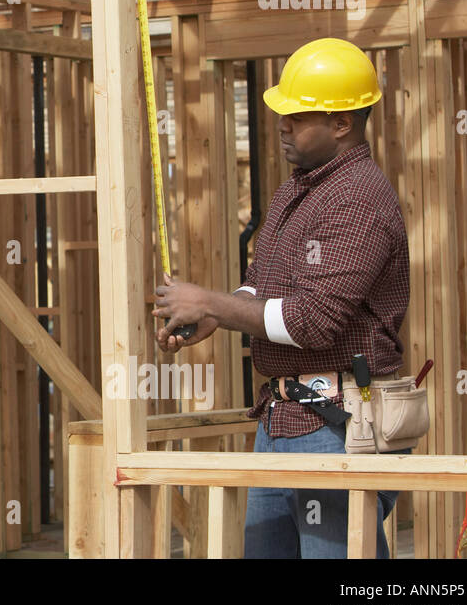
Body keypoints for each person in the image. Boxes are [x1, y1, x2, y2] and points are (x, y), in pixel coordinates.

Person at [151, 37, 410, 558]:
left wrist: (212, 303)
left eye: (297, 116)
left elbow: (314, 321)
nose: (282, 126)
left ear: (341, 124)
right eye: (282, 114)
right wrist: (218, 312)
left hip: (337, 425)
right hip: (284, 419)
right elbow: (262, 284)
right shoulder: (301, 188)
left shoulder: (358, 198)